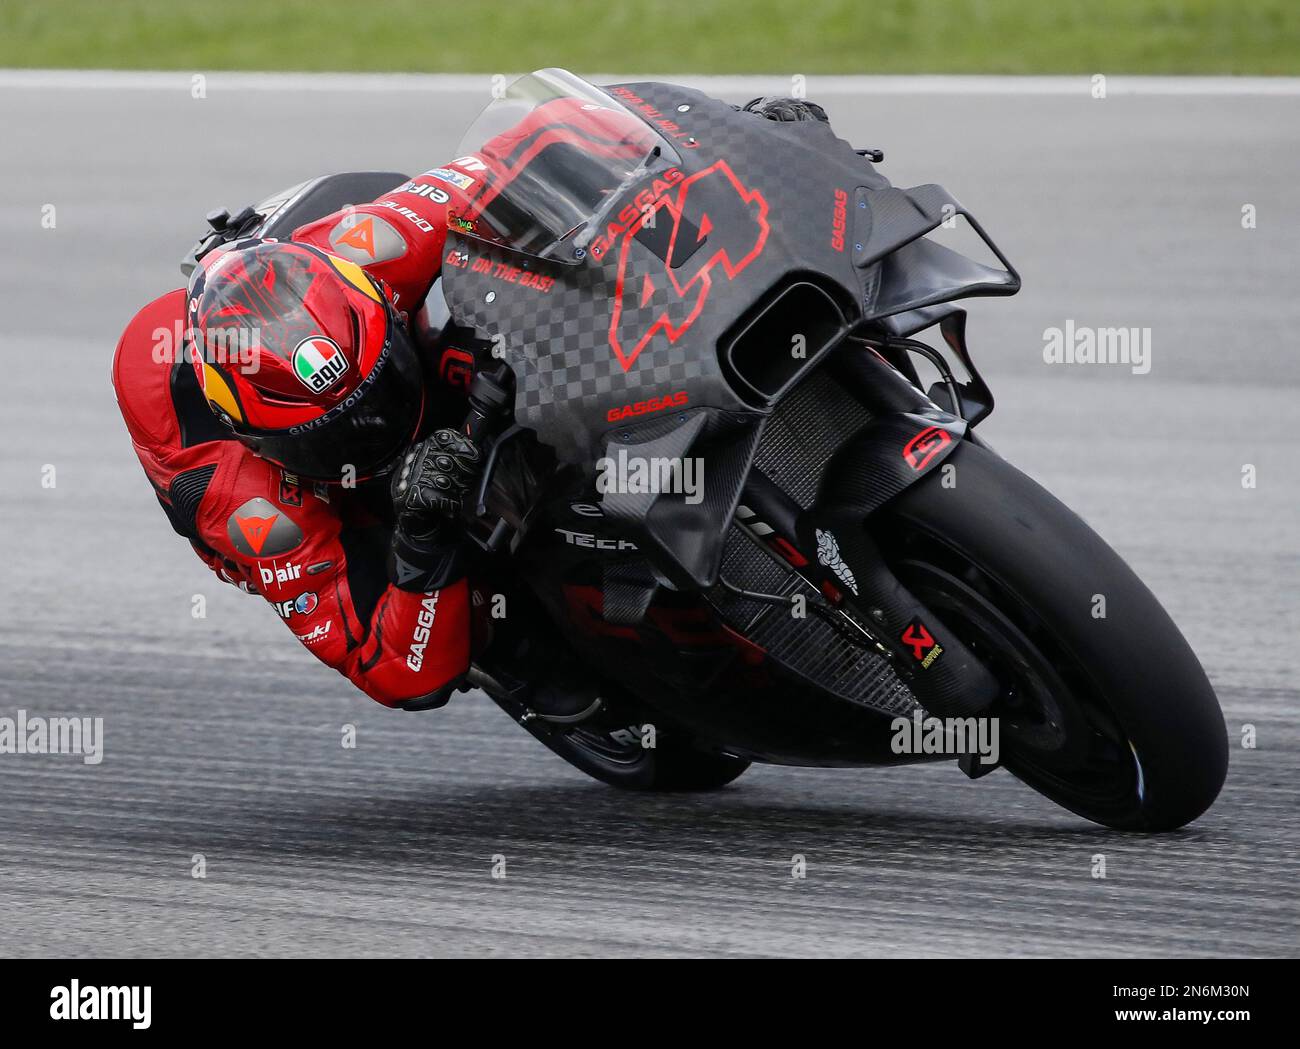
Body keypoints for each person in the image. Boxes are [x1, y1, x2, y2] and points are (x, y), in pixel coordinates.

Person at [110, 94, 828, 713]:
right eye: (336, 432)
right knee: (520, 655)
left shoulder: (369, 249)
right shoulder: (247, 501)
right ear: (261, 438)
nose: (377, 426)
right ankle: (516, 647)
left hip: (338, 272)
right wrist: (421, 534)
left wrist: (733, 137)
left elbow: (544, 146)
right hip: (339, 503)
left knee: (541, 261)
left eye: (380, 386)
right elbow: (398, 673)